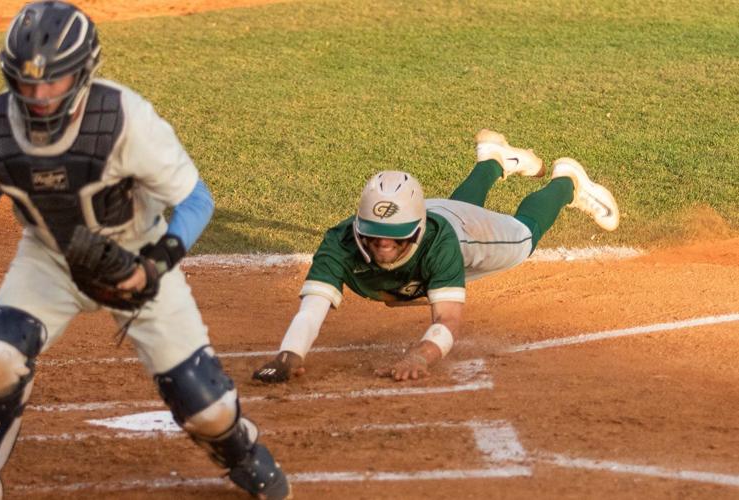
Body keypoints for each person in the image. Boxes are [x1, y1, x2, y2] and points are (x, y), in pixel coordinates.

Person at [0, 2, 289, 499]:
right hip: (50, 259)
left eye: (52, 82)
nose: (37, 96)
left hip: (137, 250)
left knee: (207, 408)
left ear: (82, 73)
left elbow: (194, 199)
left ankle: (240, 449)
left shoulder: (126, 120)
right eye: (25, 82)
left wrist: (155, 265)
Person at [253, 129, 619, 383]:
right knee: (455, 211)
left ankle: (567, 183)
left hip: (465, 235)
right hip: (436, 211)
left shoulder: (439, 245)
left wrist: (421, 354)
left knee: (523, 238)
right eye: (376, 236)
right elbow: (311, 309)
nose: (384, 246)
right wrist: (290, 355)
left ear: (416, 229)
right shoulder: (340, 242)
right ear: (360, 226)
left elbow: (448, 318)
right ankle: (493, 160)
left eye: (396, 238)